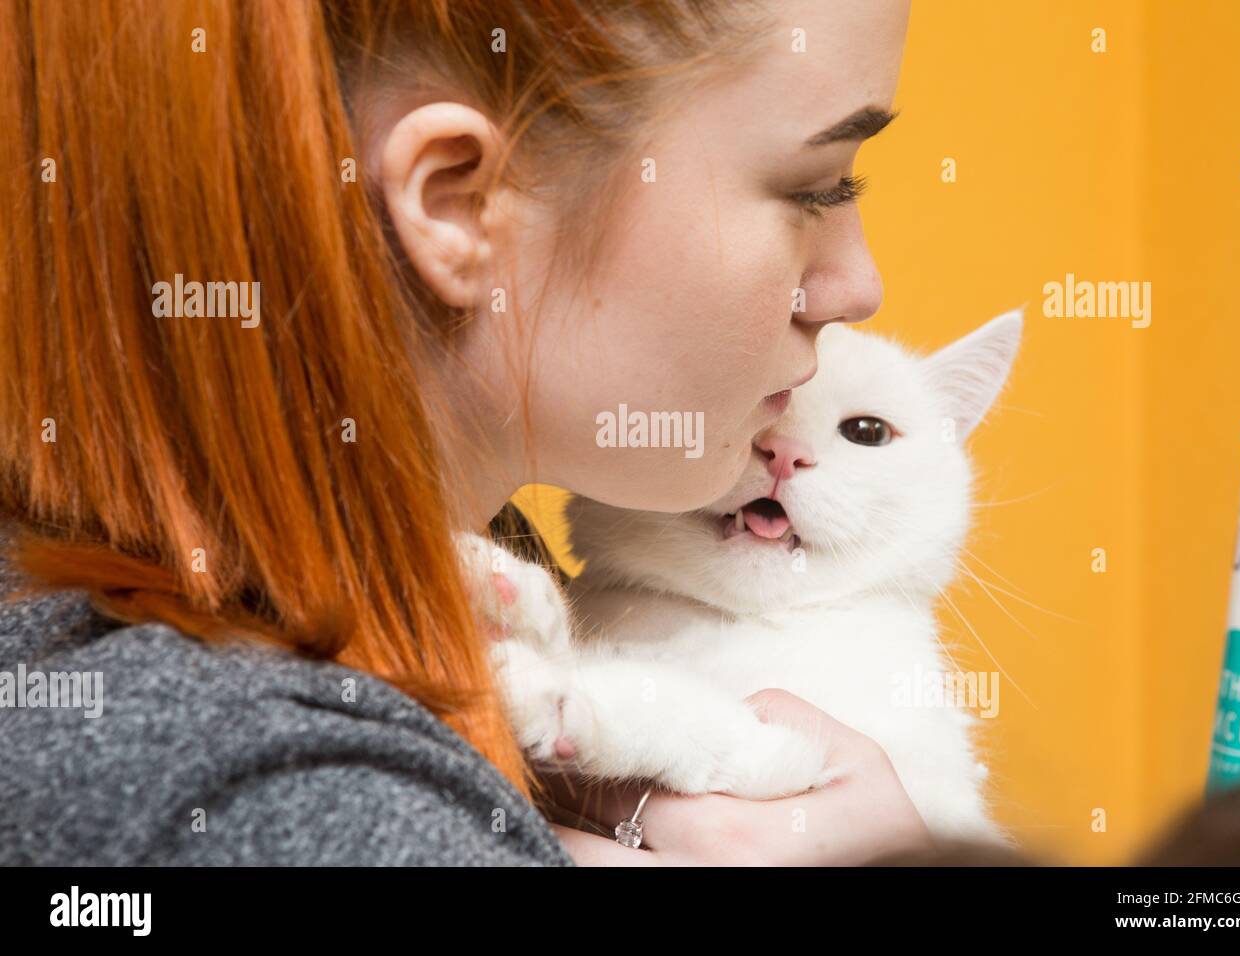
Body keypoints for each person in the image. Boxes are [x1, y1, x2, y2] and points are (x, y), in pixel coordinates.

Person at [0, 0, 923, 865]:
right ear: (457, 204)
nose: (858, 284)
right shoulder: (318, 812)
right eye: (817, 187)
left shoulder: (448, 591)